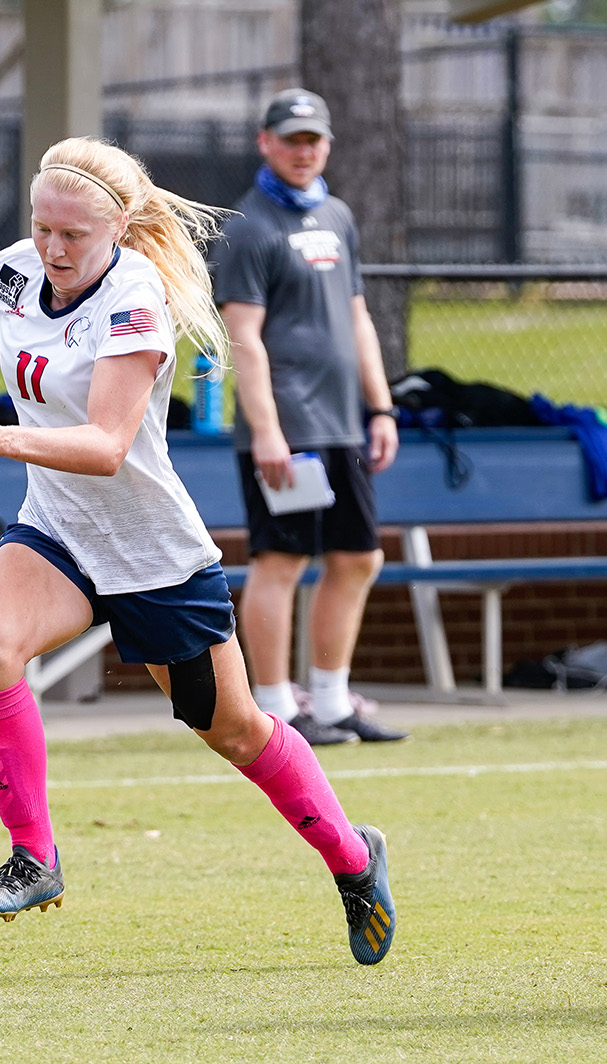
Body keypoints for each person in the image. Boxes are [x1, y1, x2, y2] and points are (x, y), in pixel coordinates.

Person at [0, 136, 397, 965]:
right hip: (60, 531)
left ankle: (354, 858)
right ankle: (34, 857)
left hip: (153, 554)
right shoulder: (22, 263)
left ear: (118, 225)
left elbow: (109, 444)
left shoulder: (134, 302)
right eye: (43, 227)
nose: (53, 248)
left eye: (73, 236)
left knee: (235, 732)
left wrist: (5, 442)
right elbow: (0, 295)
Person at [207, 88, 406, 746]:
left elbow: (356, 318)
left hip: (343, 424)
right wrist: (266, 430)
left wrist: (380, 406)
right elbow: (244, 338)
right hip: (286, 429)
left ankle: (329, 700)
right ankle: (274, 710)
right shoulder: (250, 225)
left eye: (313, 140)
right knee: (282, 561)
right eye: (290, 139)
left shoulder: (339, 216)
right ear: (265, 142)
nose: (303, 151)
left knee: (357, 557)